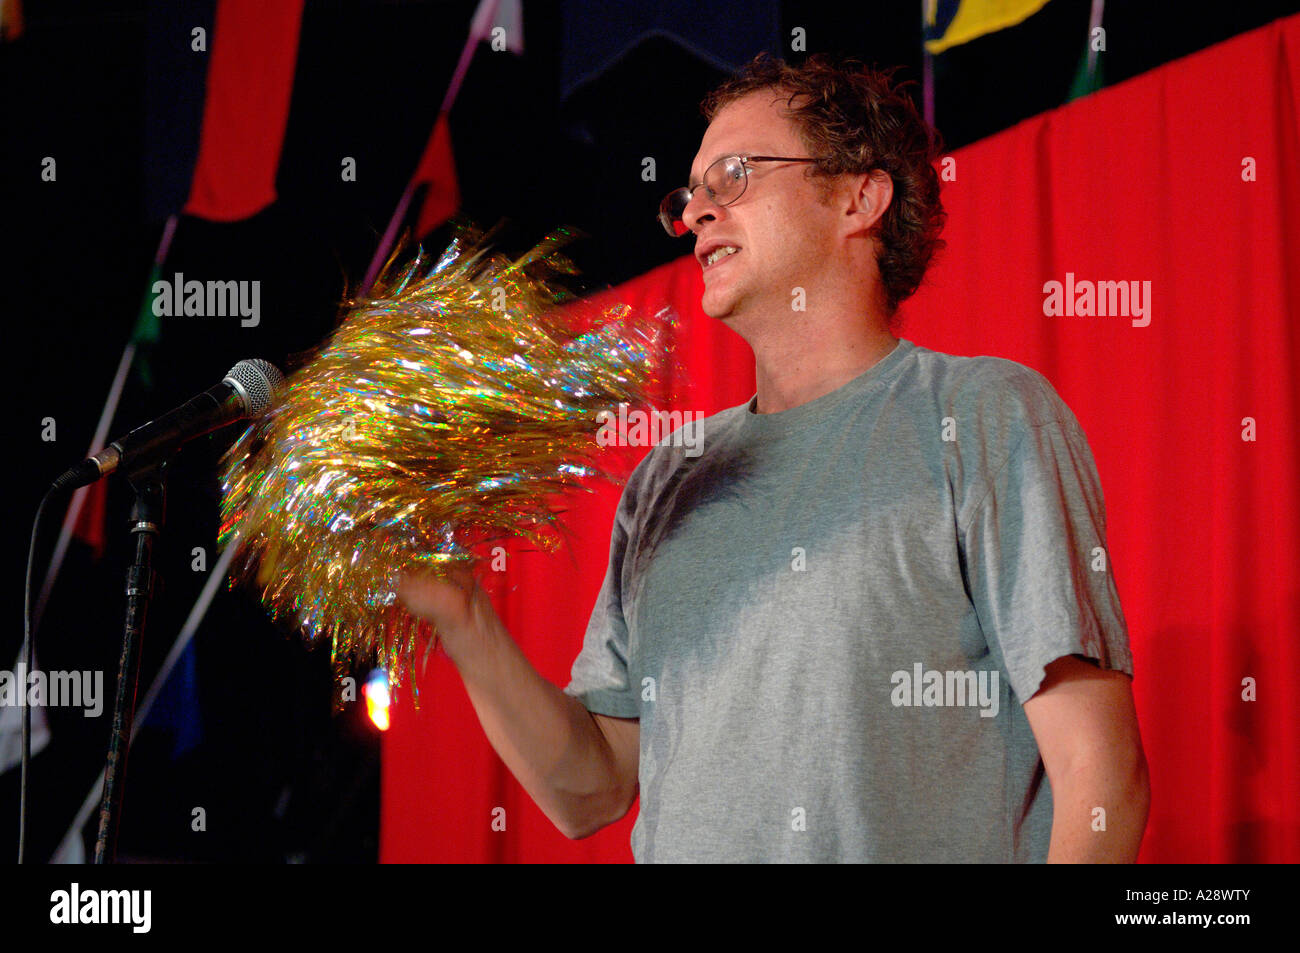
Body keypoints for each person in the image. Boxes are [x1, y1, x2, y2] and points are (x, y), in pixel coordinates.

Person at [397, 53, 1149, 863]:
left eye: (733, 176)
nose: (696, 215)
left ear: (859, 198)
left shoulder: (981, 415)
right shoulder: (667, 478)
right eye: (689, 195)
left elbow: (1100, 776)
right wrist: (463, 615)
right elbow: (593, 791)